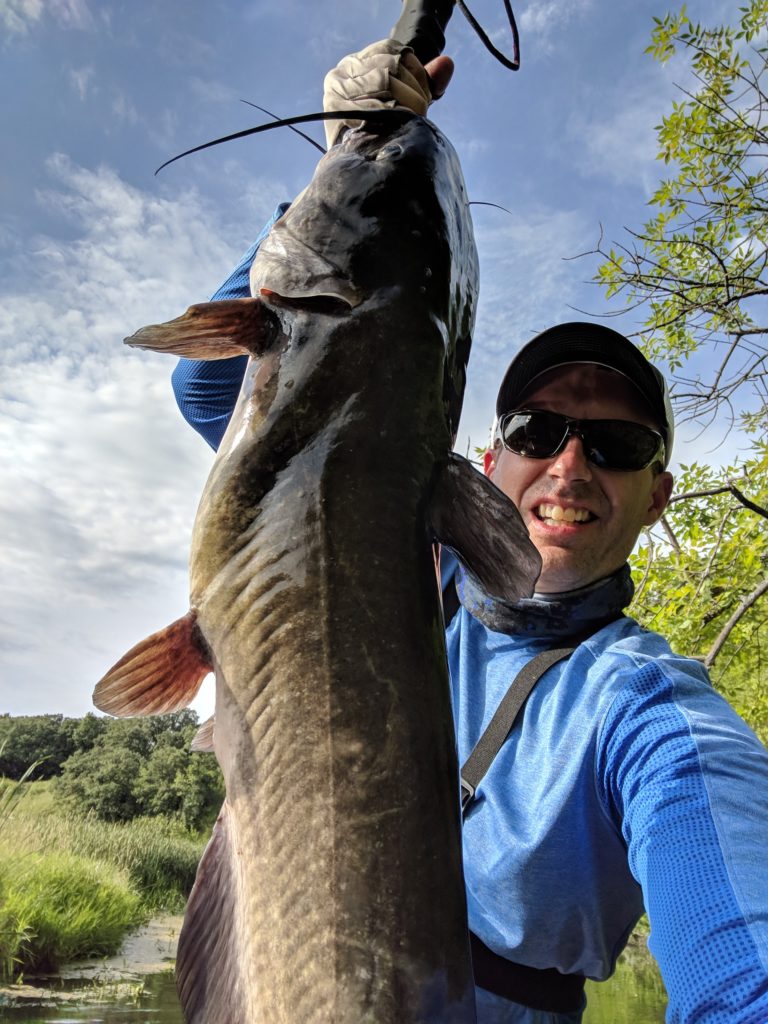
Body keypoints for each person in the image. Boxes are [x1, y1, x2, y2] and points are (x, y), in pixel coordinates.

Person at [171, 43, 768, 1024]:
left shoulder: (644, 707)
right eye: (539, 431)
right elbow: (218, 390)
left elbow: (746, 969)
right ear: (487, 462)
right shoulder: (396, 562)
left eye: (614, 443)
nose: (570, 467)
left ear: (659, 493)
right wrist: (335, 170)